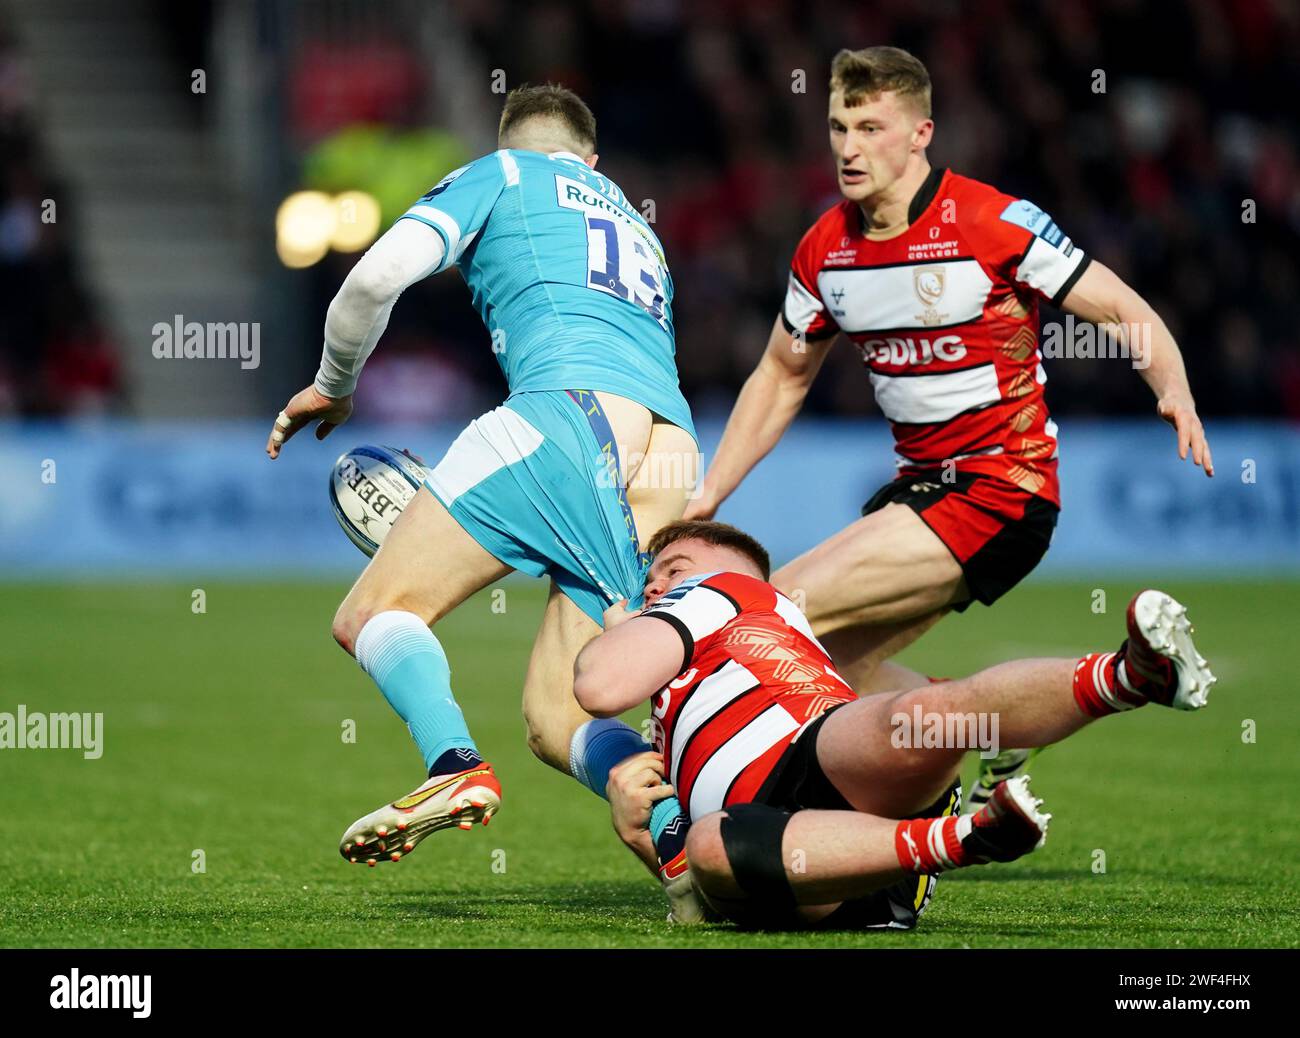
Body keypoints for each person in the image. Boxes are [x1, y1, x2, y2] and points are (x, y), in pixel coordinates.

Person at [684, 46, 1214, 804]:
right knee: (828, 666)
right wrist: (709, 492)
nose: (848, 147)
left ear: (920, 133)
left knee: (779, 609)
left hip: (1001, 487)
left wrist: (1176, 391)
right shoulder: (824, 250)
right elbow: (780, 375)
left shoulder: (994, 222)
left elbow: (1125, 309)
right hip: (920, 494)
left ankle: (1127, 679)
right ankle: (988, 721)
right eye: (838, 126)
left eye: (870, 127)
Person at [265, 84, 699, 900]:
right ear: (592, 161)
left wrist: (334, 383)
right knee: (561, 716)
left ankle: (453, 764)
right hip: (669, 447)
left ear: (512, 141)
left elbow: (370, 283)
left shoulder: (503, 172)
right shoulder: (637, 224)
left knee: (370, 614)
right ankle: (695, 842)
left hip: (565, 416)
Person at [575, 519, 1214, 929]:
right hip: (790, 863)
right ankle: (962, 839)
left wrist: (625, 628)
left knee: (918, 718)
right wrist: (654, 842)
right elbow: (695, 900)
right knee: (714, 844)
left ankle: (1133, 676)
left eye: (674, 570)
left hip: (817, 755)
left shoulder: (723, 594)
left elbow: (599, 686)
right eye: (652, 577)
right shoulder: (678, 693)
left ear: (726, 573)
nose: (655, 586)